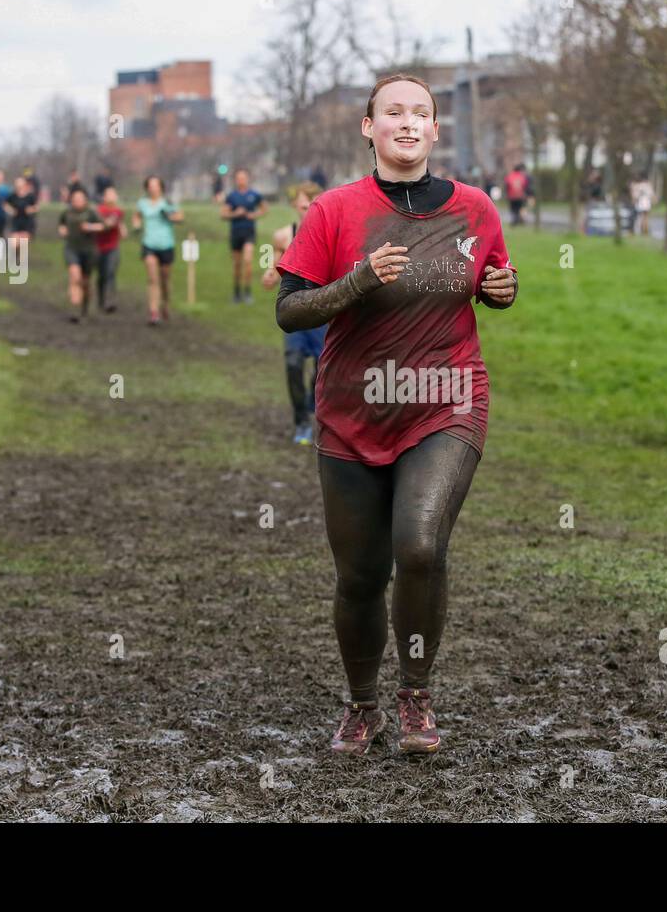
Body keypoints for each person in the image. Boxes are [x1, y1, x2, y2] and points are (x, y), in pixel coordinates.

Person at [274, 73, 518, 757]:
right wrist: (358, 280)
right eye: (392, 113)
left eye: (420, 114)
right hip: (354, 411)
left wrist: (504, 288)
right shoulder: (332, 211)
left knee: (418, 544)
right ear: (369, 127)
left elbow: (493, 277)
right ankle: (362, 707)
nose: (407, 123)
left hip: (446, 403)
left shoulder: (475, 208)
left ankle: (415, 697)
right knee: (360, 575)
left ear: (436, 130)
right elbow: (289, 310)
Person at [261, 181, 325, 445]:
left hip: (323, 313)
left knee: (323, 369)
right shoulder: (283, 236)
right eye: (303, 205)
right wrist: (269, 274)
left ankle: (313, 405)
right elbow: (274, 263)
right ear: (294, 207)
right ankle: (301, 420)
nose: (307, 210)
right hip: (296, 314)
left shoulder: (331, 234)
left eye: (313, 205)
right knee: (293, 364)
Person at [132, 175, 184, 326]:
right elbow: (137, 216)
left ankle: (165, 303)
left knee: (164, 279)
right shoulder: (142, 203)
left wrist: (170, 217)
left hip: (166, 245)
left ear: (161, 187)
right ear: (147, 188)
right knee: (152, 278)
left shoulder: (167, 202)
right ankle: (153, 312)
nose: (153, 188)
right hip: (149, 244)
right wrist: (136, 225)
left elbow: (180, 217)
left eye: (156, 185)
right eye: (151, 185)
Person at [57, 189, 105, 323]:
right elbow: (61, 224)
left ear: (85, 200)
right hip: (71, 249)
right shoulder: (67, 212)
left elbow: (103, 226)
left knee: (85, 282)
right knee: (74, 276)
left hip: (89, 251)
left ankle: (84, 307)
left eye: (80, 198)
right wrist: (62, 230)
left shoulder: (91, 212)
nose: (77, 201)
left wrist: (90, 227)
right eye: (75, 199)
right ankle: (75, 308)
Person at [221, 169, 266, 304]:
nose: (241, 180)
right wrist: (235, 214)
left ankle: (247, 292)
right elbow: (223, 214)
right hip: (235, 233)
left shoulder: (254, 194)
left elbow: (264, 209)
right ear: (236, 180)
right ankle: (236, 292)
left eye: (243, 178)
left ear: (247, 179)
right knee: (237, 265)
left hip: (249, 233)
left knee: (247, 261)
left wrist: (254, 215)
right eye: (239, 178)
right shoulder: (232, 196)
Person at [95, 186, 127, 313]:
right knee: (101, 275)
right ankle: (101, 299)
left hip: (113, 247)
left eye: (114, 194)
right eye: (109, 194)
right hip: (98, 247)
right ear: (104, 197)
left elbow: (114, 223)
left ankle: (110, 301)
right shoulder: (98, 210)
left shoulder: (118, 212)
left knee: (110, 272)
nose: (111, 197)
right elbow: (106, 224)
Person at [4, 175, 38, 245]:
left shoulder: (30, 196)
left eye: (20, 183)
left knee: (23, 244)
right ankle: (16, 255)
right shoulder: (13, 196)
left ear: (24, 184)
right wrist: (11, 211)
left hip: (27, 223)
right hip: (16, 222)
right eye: (17, 183)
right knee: (14, 244)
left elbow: (36, 207)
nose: (18, 185)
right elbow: (5, 204)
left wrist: (30, 210)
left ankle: (21, 255)